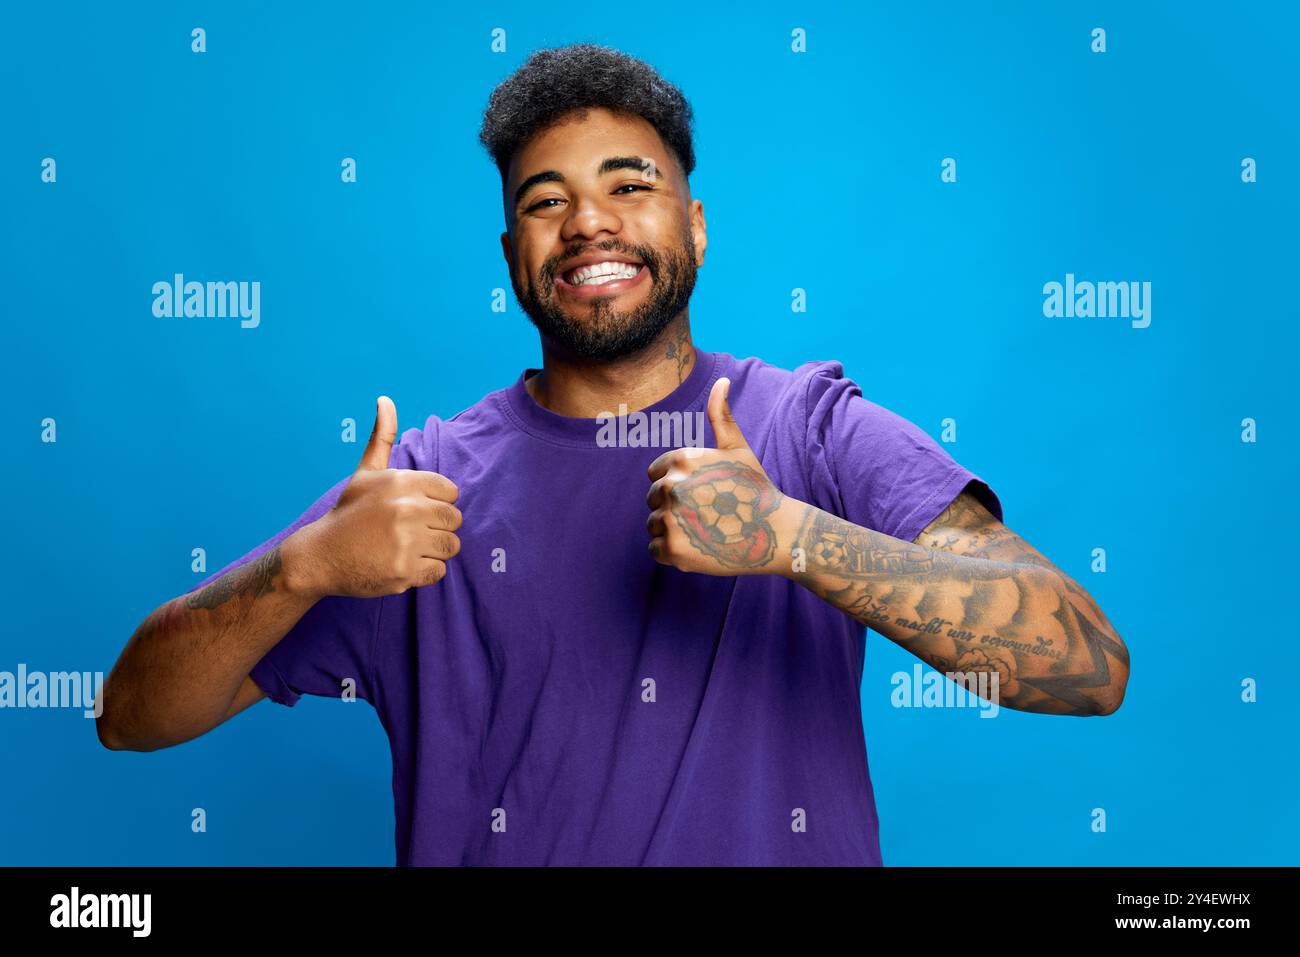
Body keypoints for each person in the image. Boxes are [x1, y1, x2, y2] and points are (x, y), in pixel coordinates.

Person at [98, 43, 1129, 866]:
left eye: (628, 185)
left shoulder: (810, 429)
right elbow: (130, 717)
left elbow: (1084, 664)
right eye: (544, 201)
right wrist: (305, 564)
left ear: (694, 221)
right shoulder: (418, 485)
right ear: (513, 255)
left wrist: (792, 539)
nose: (588, 222)